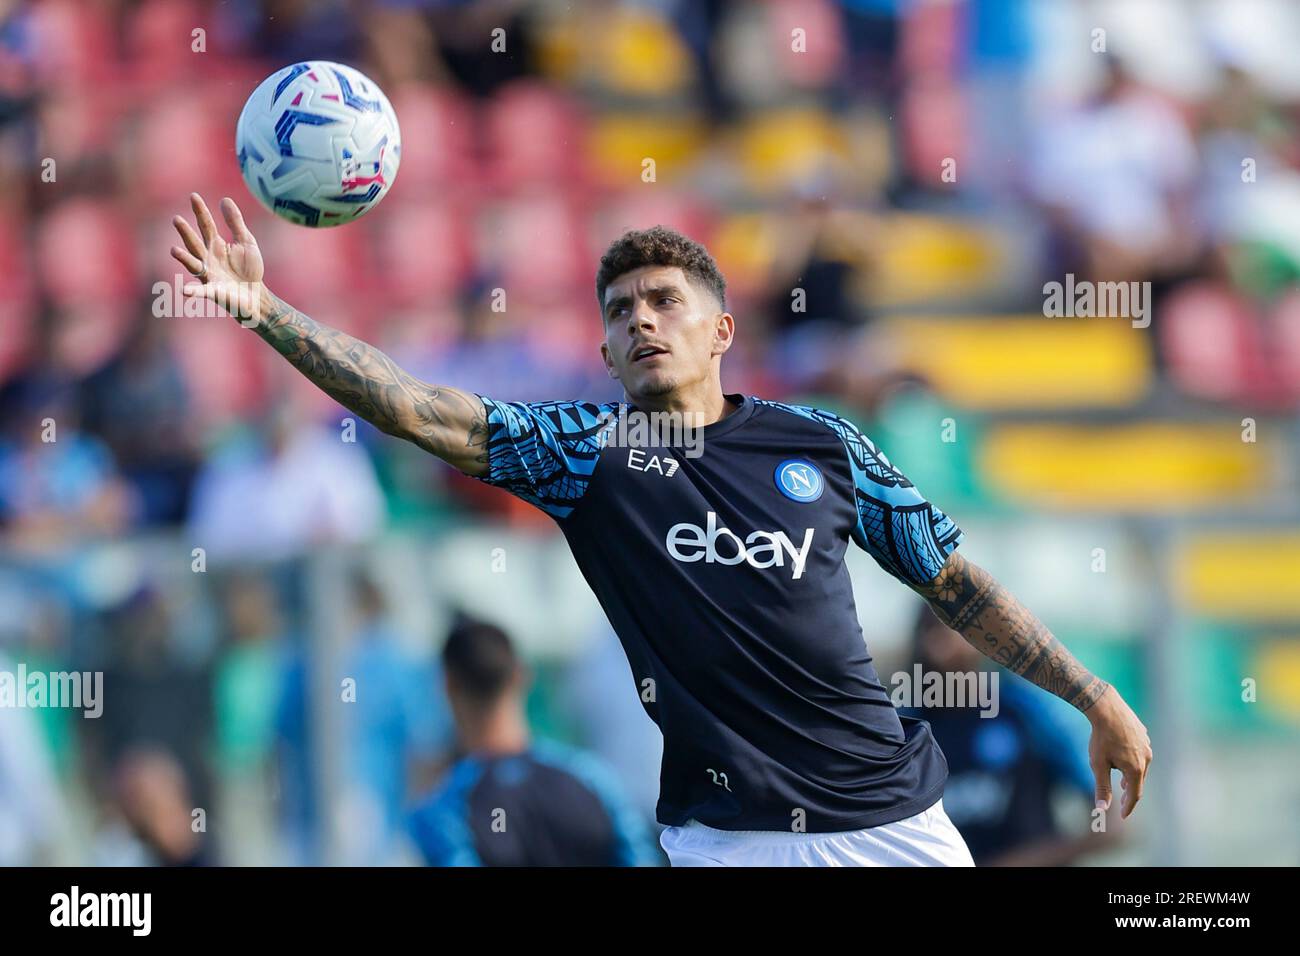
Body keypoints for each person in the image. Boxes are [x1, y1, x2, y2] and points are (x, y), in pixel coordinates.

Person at [169, 193, 1152, 866]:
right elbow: (417, 408)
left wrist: (1091, 691)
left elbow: (956, 584)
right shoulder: (584, 453)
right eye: (620, 309)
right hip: (727, 838)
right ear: (601, 344)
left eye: (665, 301)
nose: (641, 319)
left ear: (721, 330)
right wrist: (266, 312)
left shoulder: (823, 443)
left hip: (892, 820)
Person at [407, 616, 656, 866]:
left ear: (447, 686)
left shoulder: (444, 813)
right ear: (521, 675)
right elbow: (641, 857)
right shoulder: (593, 778)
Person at [901, 606, 1125, 866]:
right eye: (929, 632)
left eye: (951, 631)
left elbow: (1112, 824)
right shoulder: (908, 730)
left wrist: (1023, 860)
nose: (938, 647)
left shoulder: (1025, 711)